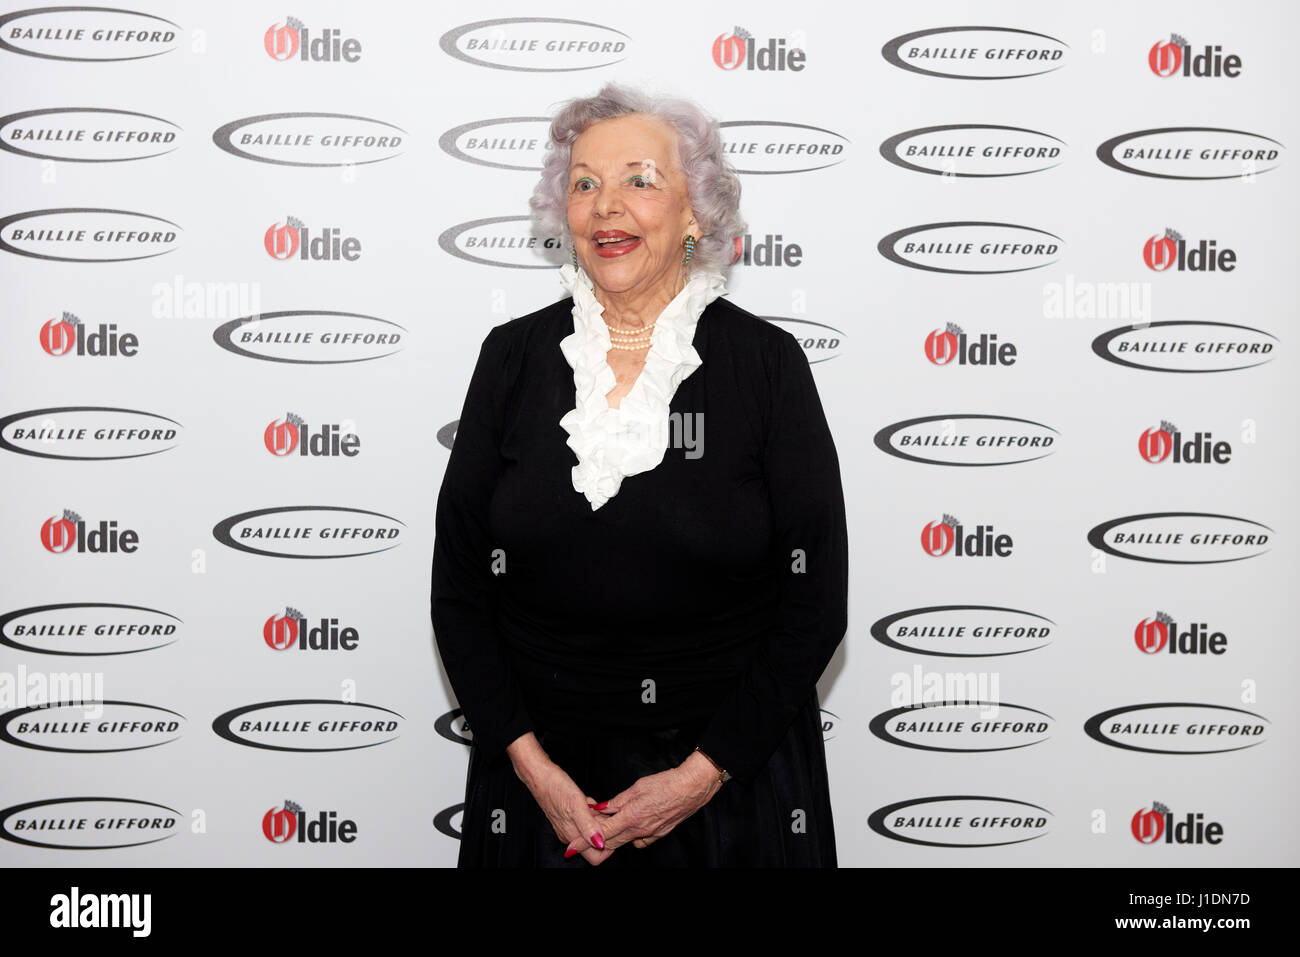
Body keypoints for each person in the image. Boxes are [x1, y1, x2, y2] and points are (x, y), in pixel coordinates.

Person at [430, 82, 849, 867]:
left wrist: (698, 776)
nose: (606, 205)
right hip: (540, 797)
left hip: (726, 795)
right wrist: (534, 770)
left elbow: (814, 603)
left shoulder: (767, 366)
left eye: (639, 180)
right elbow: (459, 590)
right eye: (584, 183)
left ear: (697, 213)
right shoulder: (511, 359)